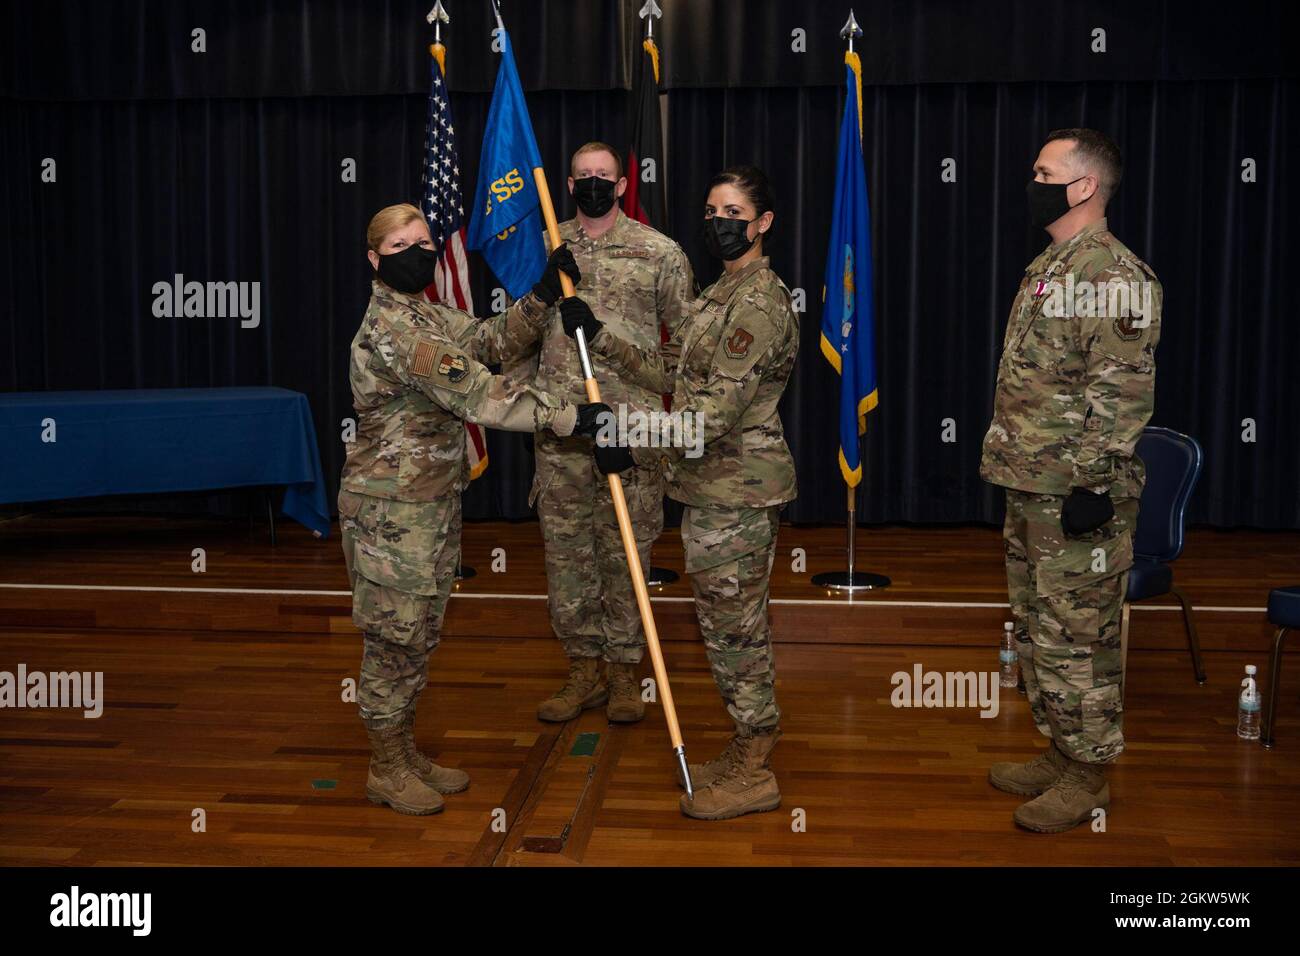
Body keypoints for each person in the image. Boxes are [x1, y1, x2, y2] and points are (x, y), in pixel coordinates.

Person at [339, 202, 607, 816]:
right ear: (375, 260)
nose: (420, 253)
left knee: (419, 635)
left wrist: (539, 295)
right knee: (393, 640)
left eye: (425, 241)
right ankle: (385, 765)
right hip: (391, 513)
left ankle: (404, 752)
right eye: (402, 246)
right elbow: (482, 395)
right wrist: (573, 417)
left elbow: (488, 341)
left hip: (427, 505)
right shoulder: (397, 330)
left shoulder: (427, 314)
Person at [562, 165, 798, 821]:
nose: (719, 222)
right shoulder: (719, 294)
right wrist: (600, 333)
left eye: (732, 212)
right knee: (725, 633)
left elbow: (712, 415)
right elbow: (674, 373)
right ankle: (746, 744)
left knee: (737, 635)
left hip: (737, 493)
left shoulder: (757, 304)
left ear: (763, 222)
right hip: (709, 490)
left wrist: (626, 433)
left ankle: (756, 766)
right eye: (711, 210)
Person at [980, 129, 1162, 833]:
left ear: (1082, 186)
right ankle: (1060, 748)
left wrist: (1091, 485)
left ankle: (1090, 774)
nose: (1032, 181)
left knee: (1077, 636)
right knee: (1036, 627)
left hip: (1079, 495)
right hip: (1032, 481)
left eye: (1043, 172)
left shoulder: (1114, 276)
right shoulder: (1051, 266)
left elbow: (1120, 392)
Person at [524, 142, 695, 725]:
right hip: (561, 437)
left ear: (622, 185)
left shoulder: (659, 253)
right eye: (583, 177)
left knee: (626, 556)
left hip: (630, 435)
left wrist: (606, 340)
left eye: (605, 177)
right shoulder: (547, 245)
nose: (593, 184)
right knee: (567, 558)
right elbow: (517, 337)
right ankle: (583, 672)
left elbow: (684, 359)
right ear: (568, 185)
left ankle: (626, 673)